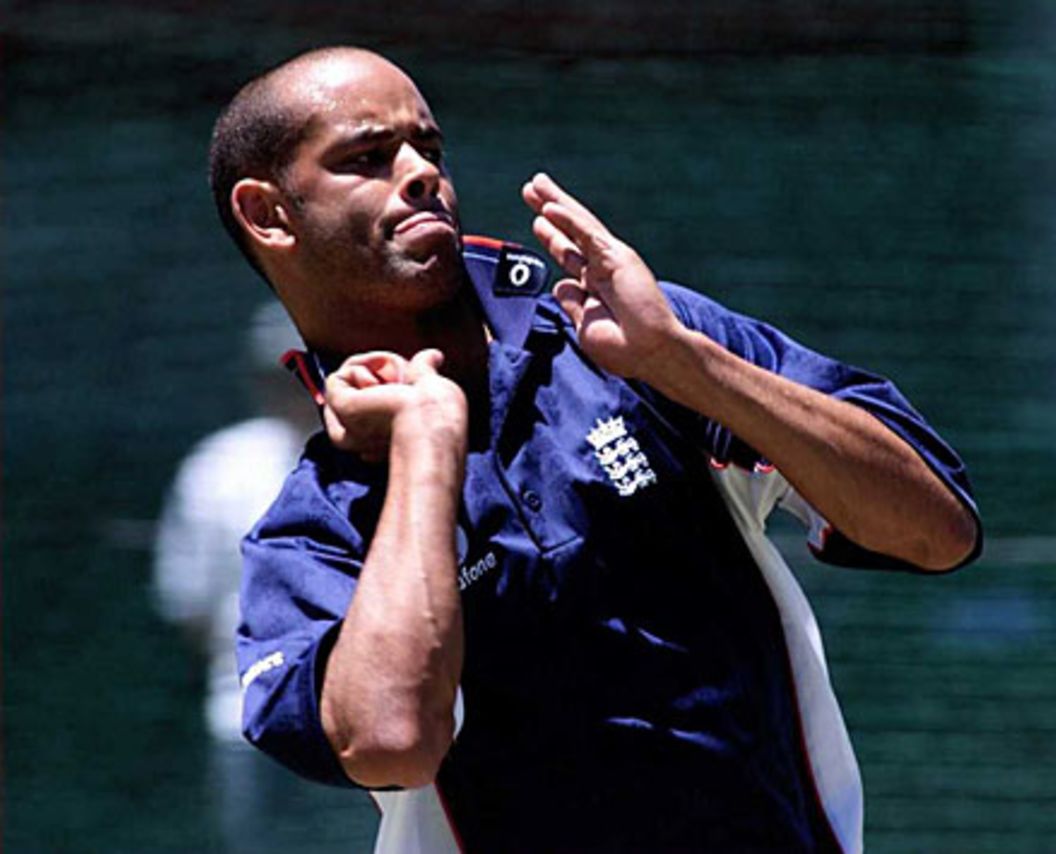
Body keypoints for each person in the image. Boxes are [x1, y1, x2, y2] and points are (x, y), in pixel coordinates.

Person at [209, 46, 981, 853]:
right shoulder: (312, 528)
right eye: (367, 158)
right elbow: (390, 739)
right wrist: (429, 448)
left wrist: (686, 363)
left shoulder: (630, 340)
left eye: (429, 149)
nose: (420, 173)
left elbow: (936, 531)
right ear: (268, 213)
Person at [153, 302, 377, 852]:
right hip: (260, 726)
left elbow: (189, 608)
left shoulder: (380, 454)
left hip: (338, 726)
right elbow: (187, 607)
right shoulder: (219, 466)